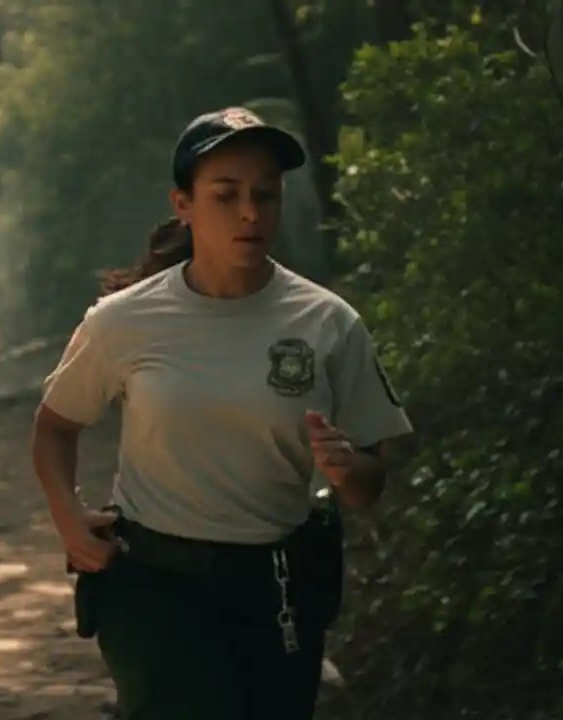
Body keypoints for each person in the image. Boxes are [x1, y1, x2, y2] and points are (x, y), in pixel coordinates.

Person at [31, 106, 413, 719]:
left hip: (279, 588)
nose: (250, 213)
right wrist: (70, 518)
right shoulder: (124, 320)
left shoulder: (328, 323)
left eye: (265, 195)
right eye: (226, 195)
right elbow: (55, 426)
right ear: (183, 204)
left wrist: (347, 470)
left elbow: (371, 482)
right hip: (156, 586)